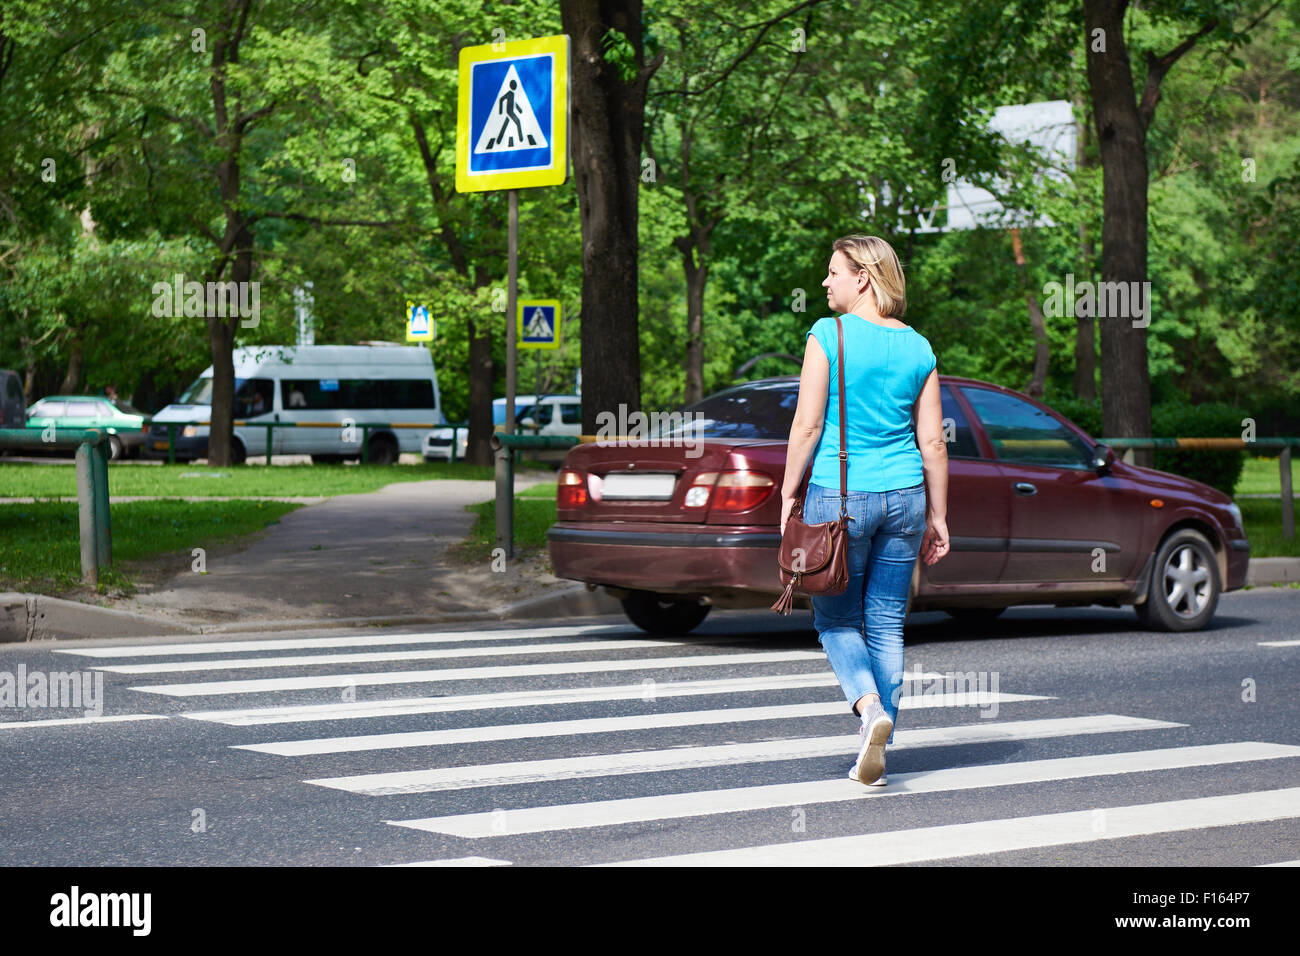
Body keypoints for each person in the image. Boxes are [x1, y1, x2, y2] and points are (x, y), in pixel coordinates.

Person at [780, 234, 950, 787]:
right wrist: (940, 516)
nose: (825, 282)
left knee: (834, 621)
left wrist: (788, 492)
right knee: (886, 624)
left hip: (839, 498)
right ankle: (877, 744)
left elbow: (806, 425)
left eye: (833, 272)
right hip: (906, 500)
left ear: (864, 278)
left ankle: (869, 707)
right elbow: (935, 443)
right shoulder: (920, 347)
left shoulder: (828, 335)